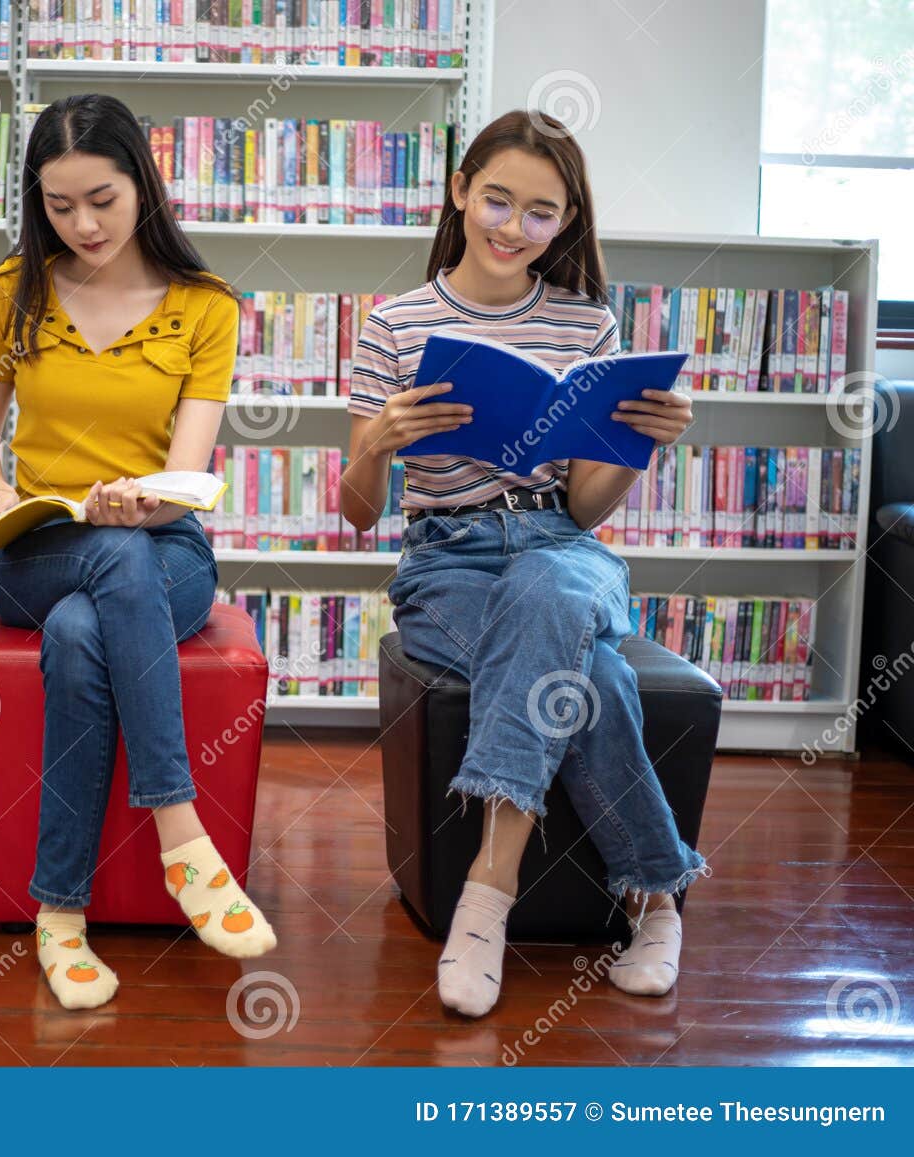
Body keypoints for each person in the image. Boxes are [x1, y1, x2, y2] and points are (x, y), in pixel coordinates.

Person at [340, 109, 707, 1018]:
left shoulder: (588, 324)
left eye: (540, 213)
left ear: (566, 221)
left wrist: (636, 441)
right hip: (448, 561)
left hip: (563, 546)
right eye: (496, 199)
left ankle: (487, 889)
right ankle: (656, 894)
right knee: (596, 682)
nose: (513, 227)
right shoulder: (396, 324)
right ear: (459, 190)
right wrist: (376, 445)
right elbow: (357, 513)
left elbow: (585, 507)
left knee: (549, 583)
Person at [0, 94, 276, 1011]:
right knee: (98, 568)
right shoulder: (11, 293)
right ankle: (186, 845)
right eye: (59, 206)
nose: (83, 224)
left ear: (144, 182)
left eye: (102, 197)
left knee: (89, 618)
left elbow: (187, 474)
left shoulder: (205, 307)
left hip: (162, 548)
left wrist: (141, 503)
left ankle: (59, 918)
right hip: (37, 546)